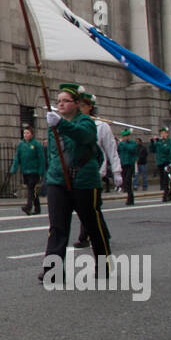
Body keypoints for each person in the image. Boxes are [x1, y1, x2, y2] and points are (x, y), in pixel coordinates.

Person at [38, 84, 108, 282]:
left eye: (66, 101)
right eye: (58, 101)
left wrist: (61, 124)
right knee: (57, 226)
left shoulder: (85, 121)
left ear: (76, 104)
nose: (61, 104)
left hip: (83, 182)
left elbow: (84, 136)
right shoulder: (53, 124)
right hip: (58, 181)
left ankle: (104, 264)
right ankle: (53, 270)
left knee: (92, 224)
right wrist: (51, 175)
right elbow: (53, 153)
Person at [73, 91, 119, 248]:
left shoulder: (101, 126)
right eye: (78, 104)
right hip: (77, 172)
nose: (80, 107)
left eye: (83, 105)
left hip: (96, 172)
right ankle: (96, 234)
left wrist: (117, 172)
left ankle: (88, 236)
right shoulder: (73, 123)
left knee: (92, 206)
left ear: (90, 107)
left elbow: (111, 149)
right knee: (86, 207)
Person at [10, 125, 46, 215]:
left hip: (34, 171)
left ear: (32, 134)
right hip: (25, 171)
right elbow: (17, 157)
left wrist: (41, 171)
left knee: (31, 189)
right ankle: (37, 209)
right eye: (24, 133)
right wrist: (13, 168)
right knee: (32, 190)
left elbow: (41, 158)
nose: (25, 135)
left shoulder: (36, 144)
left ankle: (28, 206)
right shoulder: (21, 144)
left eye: (27, 133)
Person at [117, 129, 141, 206]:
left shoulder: (133, 143)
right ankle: (129, 197)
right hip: (123, 164)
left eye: (127, 136)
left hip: (130, 164)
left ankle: (130, 198)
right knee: (125, 181)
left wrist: (122, 143)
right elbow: (117, 151)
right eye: (124, 136)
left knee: (128, 180)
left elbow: (131, 149)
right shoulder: (121, 144)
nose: (126, 137)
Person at [153, 128, 171, 202]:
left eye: (164, 133)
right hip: (160, 162)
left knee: (166, 179)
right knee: (163, 179)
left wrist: (159, 143)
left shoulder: (170, 142)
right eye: (161, 134)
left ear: (167, 134)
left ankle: (166, 195)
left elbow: (167, 150)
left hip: (167, 162)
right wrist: (153, 142)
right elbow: (152, 150)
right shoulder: (158, 142)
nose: (162, 135)